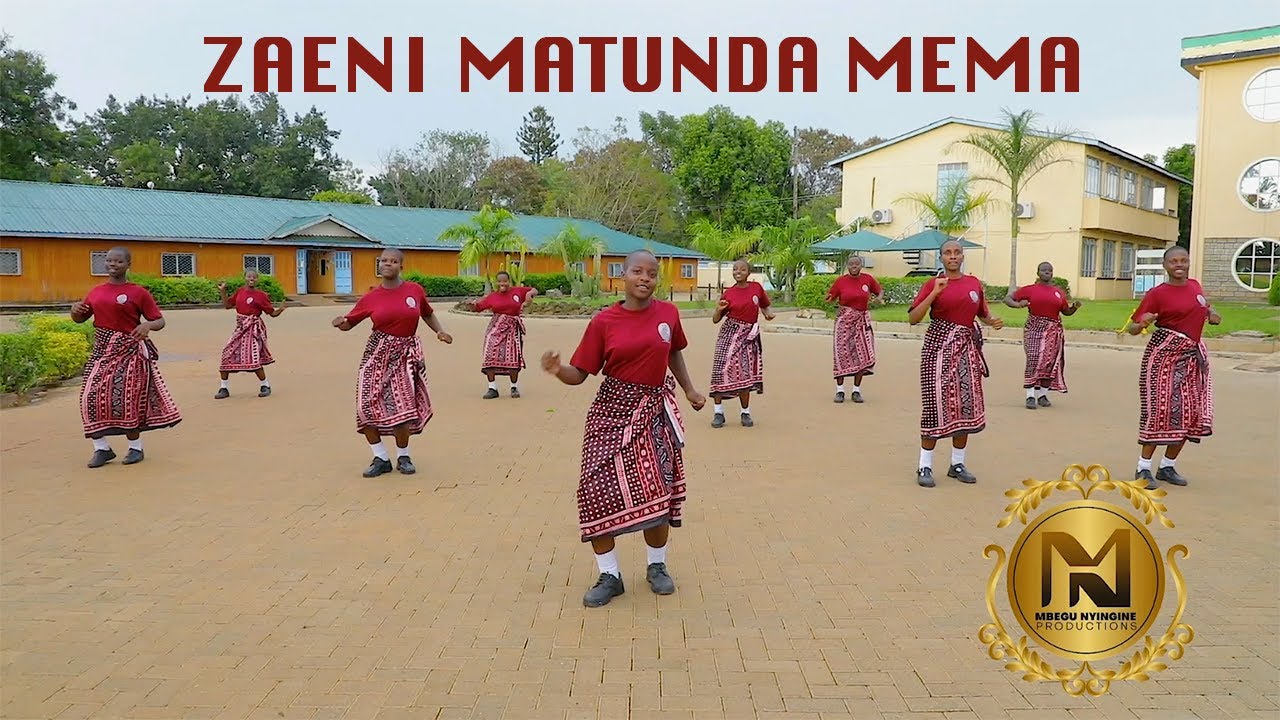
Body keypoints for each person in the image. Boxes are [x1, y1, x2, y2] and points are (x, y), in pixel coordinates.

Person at [541, 249, 706, 608]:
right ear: (623, 276)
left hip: (653, 413)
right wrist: (557, 371)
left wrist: (690, 389)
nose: (644, 278)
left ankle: (657, 566)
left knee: (657, 489)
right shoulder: (604, 322)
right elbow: (580, 373)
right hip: (611, 413)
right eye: (637, 272)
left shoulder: (669, 313)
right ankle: (609, 574)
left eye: (651, 273)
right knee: (594, 488)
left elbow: (674, 352)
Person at [333, 248, 453, 478]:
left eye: (393, 261)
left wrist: (440, 331)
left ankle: (403, 456)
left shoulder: (414, 291)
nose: (388, 264)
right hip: (376, 355)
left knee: (403, 407)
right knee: (364, 406)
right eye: (384, 261)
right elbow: (350, 322)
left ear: (401, 266)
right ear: (378, 265)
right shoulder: (371, 297)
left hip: (405, 356)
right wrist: (341, 323)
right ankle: (380, 457)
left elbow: (426, 313)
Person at [70, 246, 182, 468]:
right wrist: (75, 311)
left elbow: (159, 320)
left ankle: (135, 448)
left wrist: (147, 325)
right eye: (109, 260)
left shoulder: (138, 292)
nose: (113, 264)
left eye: (118, 261)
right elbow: (80, 319)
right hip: (102, 351)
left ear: (128, 264)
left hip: (129, 351)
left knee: (126, 399)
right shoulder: (96, 292)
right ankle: (101, 448)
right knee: (88, 397)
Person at [907, 240, 1004, 488]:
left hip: (965, 351)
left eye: (957, 253)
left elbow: (982, 313)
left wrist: (991, 321)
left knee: (964, 405)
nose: (953, 256)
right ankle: (925, 465)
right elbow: (913, 318)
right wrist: (934, 293)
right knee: (934, 404)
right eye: (947, 253)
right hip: (937, 350)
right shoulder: (932, 284)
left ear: (963, 257)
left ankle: (957, 463)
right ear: (941, 258)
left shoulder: (974, 284)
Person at [1126, 245, 1219, 490]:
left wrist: (1211, 313)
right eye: (1173, 262)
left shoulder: (1195, 286)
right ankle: (1143, 468)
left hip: (1192, 357)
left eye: (1184, 260)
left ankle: (1167, 466)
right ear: (1165, 266)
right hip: (1163, 358)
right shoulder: (1157, 293)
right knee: (1160, 411)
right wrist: (1142, 324)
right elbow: (1132, 328)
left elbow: (1202, 307)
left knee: (1190, 412)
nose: (1179, 265)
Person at [1004, 262, 1081, 409]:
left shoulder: (1058, 292)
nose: (1047, 272)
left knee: (1049, 363)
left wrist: (1074, 308)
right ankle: (1030, 395)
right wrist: (1018, 305)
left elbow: (1065, 311)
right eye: (1044, 270)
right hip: (1034, 329)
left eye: (1050, 270)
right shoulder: (1030, 290)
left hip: (1053, 331)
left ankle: (1043, 395)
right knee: (1033, 359)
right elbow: (1008, 298)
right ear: (1038, 272)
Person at [709, 259, 774, 427]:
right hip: (729, 334)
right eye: (735, 269)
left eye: (742, 269)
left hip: (748, 337)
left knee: (744, 374)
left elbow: (765, 306)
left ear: (749, 272)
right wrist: (719, 309)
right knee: (720, 370)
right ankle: (718, 412)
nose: (738, 271)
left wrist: (768, 314)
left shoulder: (756, 288)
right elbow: (716, 320)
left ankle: (745, 413)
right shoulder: (728, 293)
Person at [214, 270, 285, 399]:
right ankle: (223, 388)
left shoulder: (261, 295)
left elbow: (272, 313)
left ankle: (265, 385)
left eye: (254, 277)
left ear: (257, 279)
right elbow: (227, 305)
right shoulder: (240, 292)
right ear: (244, 278)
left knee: (253, 357)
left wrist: (281, 309)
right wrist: (222, 291)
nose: (251, 278)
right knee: (227, 354)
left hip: (253, 329)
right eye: (249, 276)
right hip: (240, 328)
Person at [825, 255, 884, 403]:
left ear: (861, 265)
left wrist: (878, 298)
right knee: (841, 354)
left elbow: (879, 291)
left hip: (862, 321)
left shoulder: (868, 279)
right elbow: (831, 296)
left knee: (862, 354)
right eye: (851, 264)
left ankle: (856, 391)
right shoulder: (841, 281)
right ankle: (840, 391)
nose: (854, 266)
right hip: (844, 321)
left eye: (856, 264)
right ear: (847, 265)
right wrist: (830, 301)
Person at [472, 271, 538, 399]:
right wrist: (472, 304)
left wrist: (529, 294)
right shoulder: (492, 296)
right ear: (496, 283)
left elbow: (534, 290)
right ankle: (492, 388)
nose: (503, 284)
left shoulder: (517, 291)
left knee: (513, 356)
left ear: (509, 281)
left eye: (505, 281)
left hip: (512, 329)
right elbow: (478, 308)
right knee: (489, 354)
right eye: (500, 281)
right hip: (496, 328)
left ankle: (514, 387)